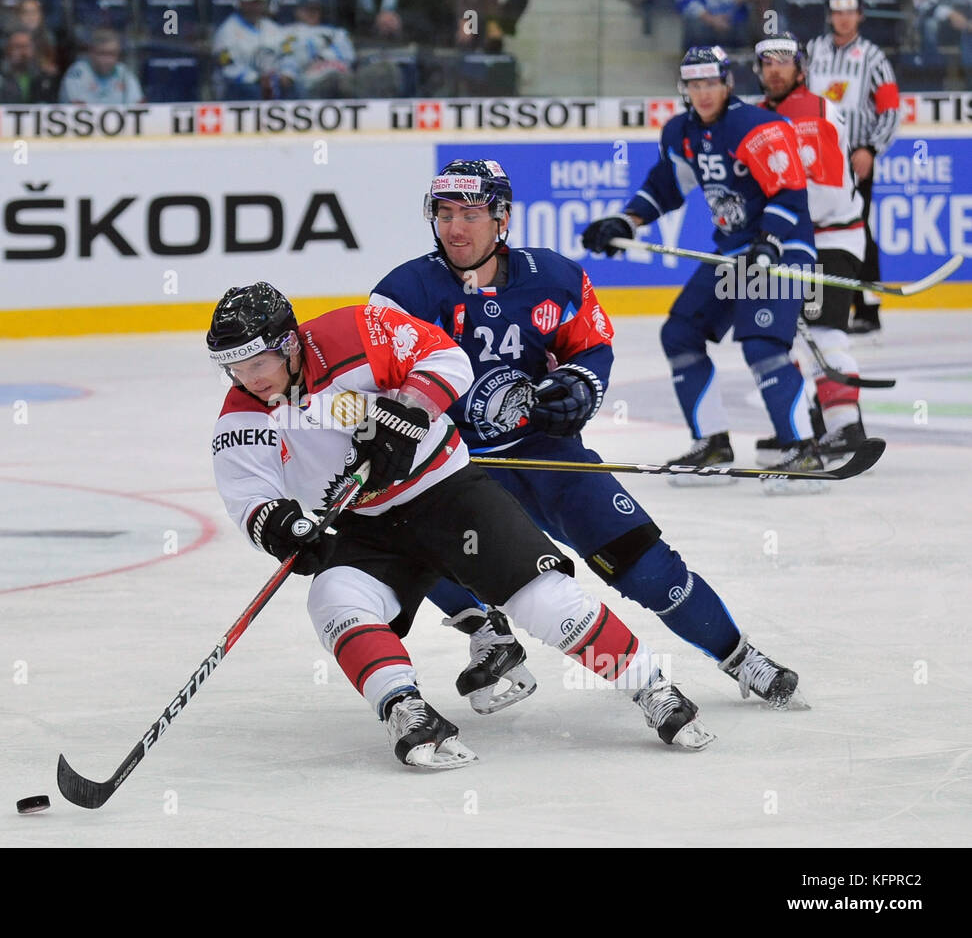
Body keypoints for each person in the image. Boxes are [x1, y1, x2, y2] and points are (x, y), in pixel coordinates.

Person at [208, 283, 717, 768]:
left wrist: (405, 413)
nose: (250, 379)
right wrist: (279, 526)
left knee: (543, 600)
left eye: (257, 363)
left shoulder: (354, 332)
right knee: (334, 600)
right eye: (234, 368)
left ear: (290, 342)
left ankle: (651, 686)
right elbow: (250, 494)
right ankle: (404, 708)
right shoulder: (242, 413)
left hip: (445, 494)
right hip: (365, 524)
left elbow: (446, 356)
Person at [371, 158, 805, 716]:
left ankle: (741, 658)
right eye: (445, 213)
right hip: (460, 471)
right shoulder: (403, 291)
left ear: (501, 217)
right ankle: (490, 632)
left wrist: (578, 387)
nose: (455, 228)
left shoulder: (552, 276)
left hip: (548, 455)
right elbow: (376, 379)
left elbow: (591, 349)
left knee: (648, 568)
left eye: (471, 213)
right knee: (408, 534)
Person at [583, 46, 822, 475]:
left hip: (781, 251)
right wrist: (626, 220)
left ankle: (802, 448)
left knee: (762, 343)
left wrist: (767, 243)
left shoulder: (758, 127)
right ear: (685, 88)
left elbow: (790, 191)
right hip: (733, 257)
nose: (704, 92)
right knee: (680, 333)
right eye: (695, 84)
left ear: (728, 83)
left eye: (711, 82)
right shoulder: (682, 132)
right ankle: (712, 441)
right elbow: (668, 185)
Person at [755, 32, 869, 461]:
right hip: (791, 243)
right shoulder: (762, 113)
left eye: (784, 61)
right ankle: (807, 423)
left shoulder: (811, 111)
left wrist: (769, 225)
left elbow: (821, 194)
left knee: (824, 333)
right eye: (767, 62)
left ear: (801, 69)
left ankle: (846, 428)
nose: (775, 69)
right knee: (778, 337)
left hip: (828, 238)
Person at [805, 0, 901, 336]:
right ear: (829, 15)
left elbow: (890, 110)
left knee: (857, 230)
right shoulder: (812, 52)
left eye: (850, 11)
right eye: (837, 11)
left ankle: (868, 307)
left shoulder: (873, 57)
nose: (843, 18)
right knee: (814, 230)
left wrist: (871, 149)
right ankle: (817, 304)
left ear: (860, 15)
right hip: (814, 159)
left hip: (854, 156)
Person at [212, 0, 292, 100]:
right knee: (252, 90)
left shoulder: (273, 28)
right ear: (240, 3)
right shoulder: (226, 31)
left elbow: (288, 53)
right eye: (250, 3)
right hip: (240, 86)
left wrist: (287, 74)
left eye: (258, 3)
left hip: (273, 81)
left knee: (295, 86)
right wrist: (257, 79)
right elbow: (228, 67)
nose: (254, 7)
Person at [278, 0, 356, 99]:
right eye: (307, 9)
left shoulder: (336, 32)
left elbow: (348, 55)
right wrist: (288, 72)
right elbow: (289, 57)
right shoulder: (289, 32)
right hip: (312, 79)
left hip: (340, 76)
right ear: (298, 11)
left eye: (315, 9)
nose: (312, 13)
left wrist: (322, 56)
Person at [0, 28, 60, 104]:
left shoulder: (43, 77)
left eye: (26, 47)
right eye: (17, 47)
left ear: (33, 50)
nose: (23, 52)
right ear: (7, 50)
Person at [58, 29, 142, 105]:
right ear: (91, 52)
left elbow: (138, 105)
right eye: (102, 53)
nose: (108, 59)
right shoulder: (78, 72)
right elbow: (76, 106)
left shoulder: (124, 72)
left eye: (112, 54)